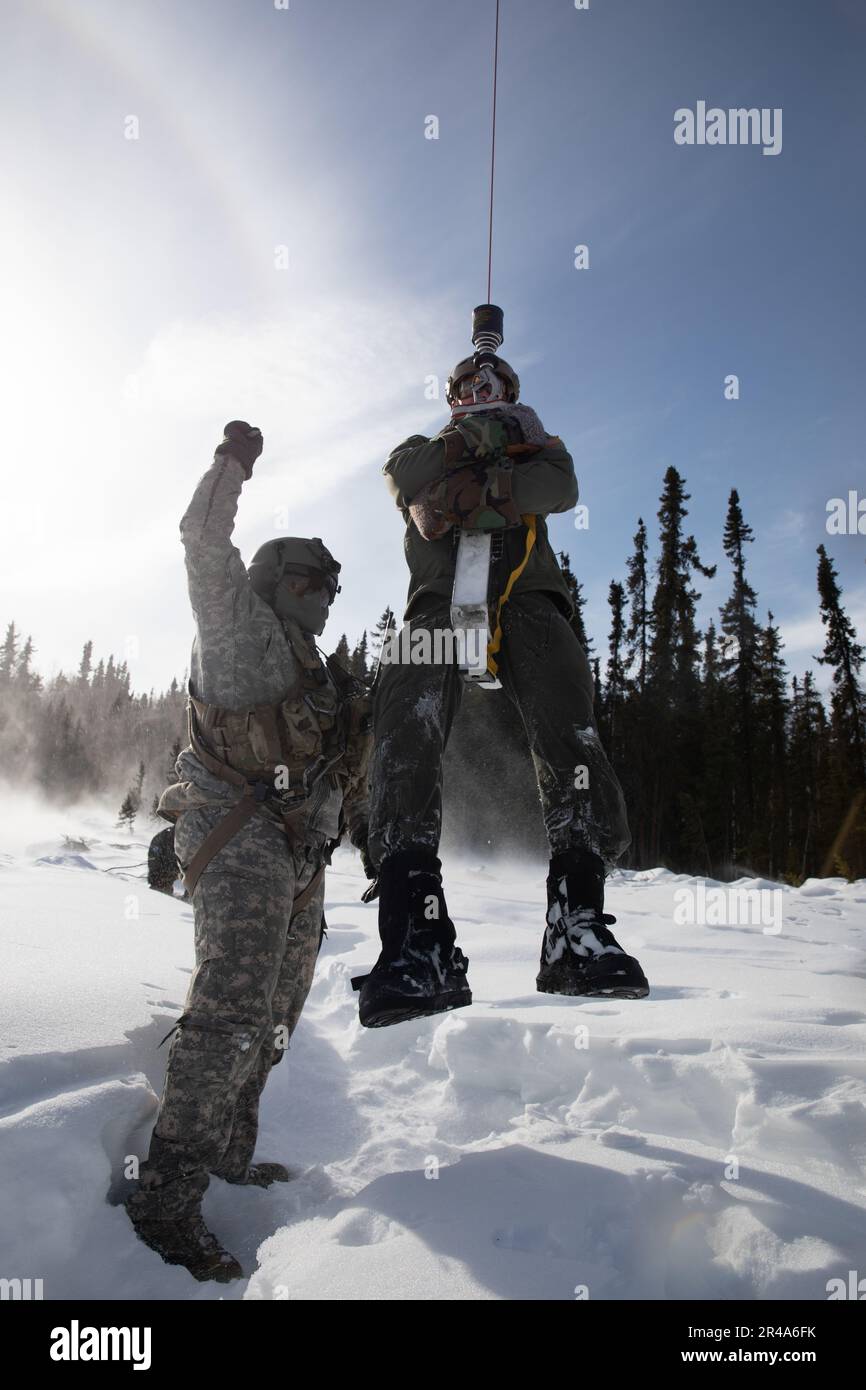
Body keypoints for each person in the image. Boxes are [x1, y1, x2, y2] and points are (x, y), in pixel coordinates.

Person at [126, 421, 371, 1282]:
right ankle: (165, 1197)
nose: (329, 596)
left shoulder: (320, 669)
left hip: (300, 857)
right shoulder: (239, 629)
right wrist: (232, 464)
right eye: (314, 581)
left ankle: (229, 1151)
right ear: (277, 582)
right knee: (230, 1014)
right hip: (234, 833)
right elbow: (201, 539)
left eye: (335, 587)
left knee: (273, 1020)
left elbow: (341, 767)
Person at [356, 349, 649, 1029]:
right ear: (452, 395)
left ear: (513, 391)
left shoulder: (538, 448)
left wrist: (483, 490)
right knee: (406, 729)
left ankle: (576, 929)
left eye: (493, 385)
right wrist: (470, 450)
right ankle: (414, 939)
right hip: (437, 602)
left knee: (569, 733)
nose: (479, 389)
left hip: (528, 602)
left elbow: (559, 486)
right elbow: (407, 476)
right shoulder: (422, 446)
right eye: (467, 385)